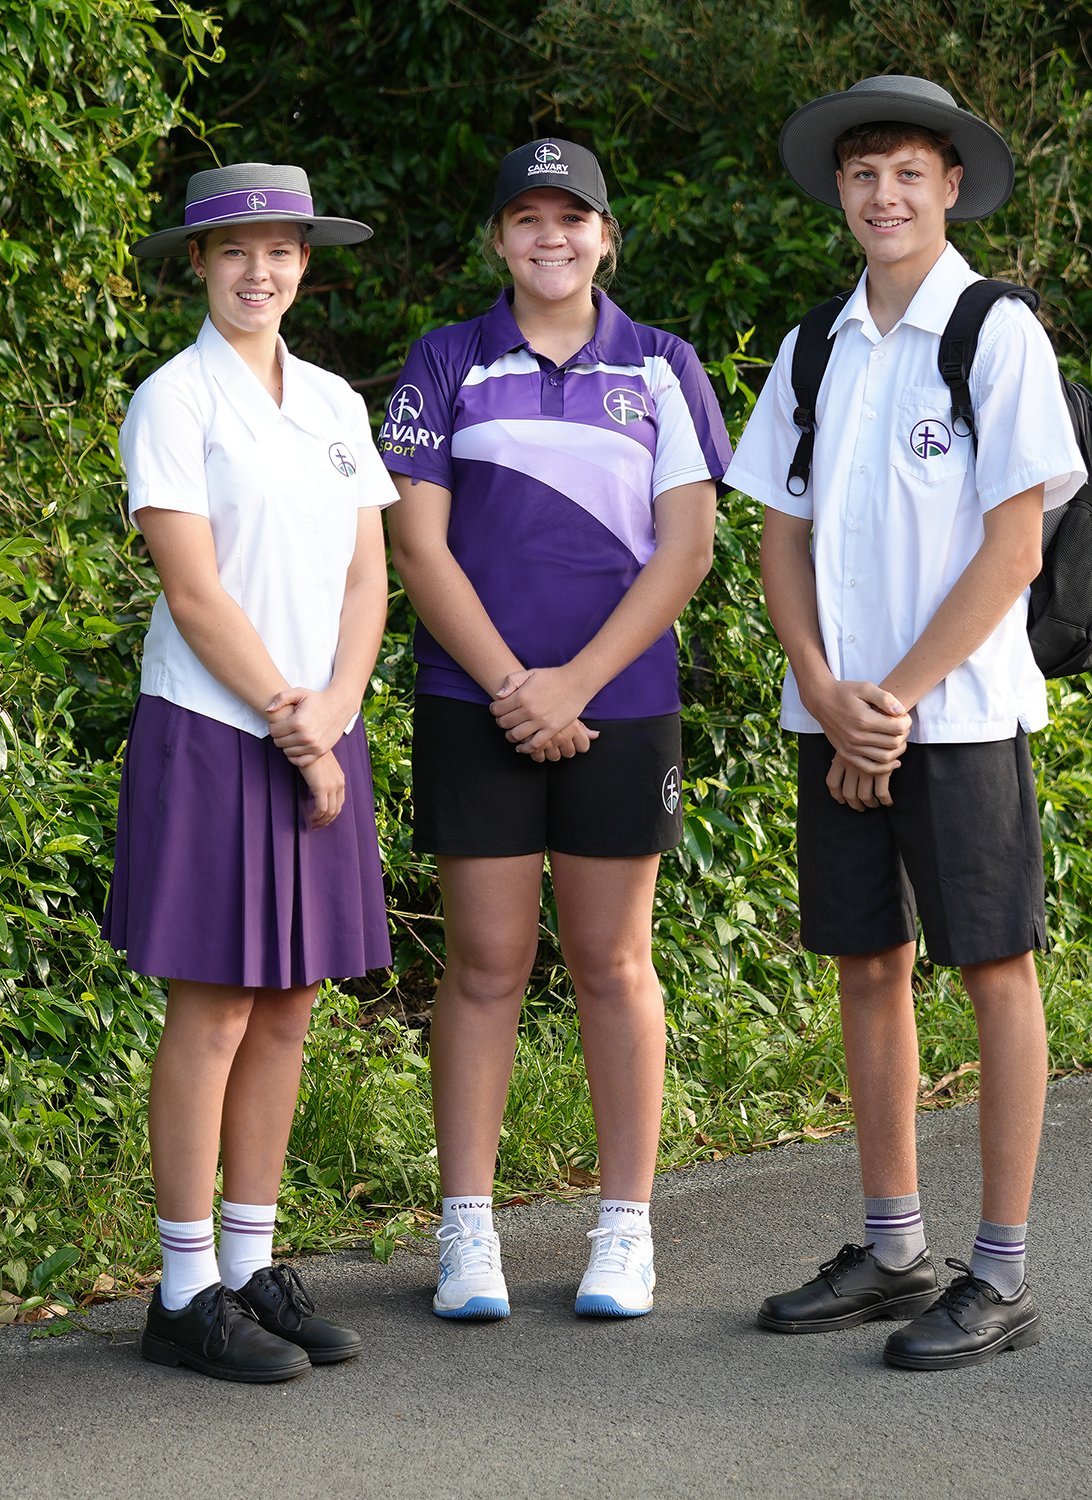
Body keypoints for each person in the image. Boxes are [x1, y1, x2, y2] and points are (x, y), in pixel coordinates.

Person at [724, 76, 1085, 1369]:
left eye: (908, 173)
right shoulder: (819, 345)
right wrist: (825, 688)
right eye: (863, 172)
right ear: (841, 192)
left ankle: (1001, 1273)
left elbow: (1014, 545)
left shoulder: (994, 333)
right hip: (835, 716)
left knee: (994, 971)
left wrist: (901, 697)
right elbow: (780, 526)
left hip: (965, 716)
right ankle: (892, 1248)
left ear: (950, 187)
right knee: (867, 965)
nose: (885, 193)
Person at [379, 139, 730, 1320]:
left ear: (605, 236)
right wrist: (515, 689)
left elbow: (687, 547)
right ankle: (467, 1229)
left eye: (571, 218)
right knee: (483, 966)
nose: (550, 238)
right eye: (526, 219)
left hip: (621, 706)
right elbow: (416, 546)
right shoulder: (445, 360)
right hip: (470, 703)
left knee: (611, 963)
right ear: (498, 241)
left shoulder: (667, 367)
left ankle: (624, 1227)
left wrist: (572, 683)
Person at [103, 163, 395, 1382]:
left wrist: (332, 715)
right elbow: (193, 589)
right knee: (216, 1005)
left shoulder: (332, 401)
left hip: (320, 726)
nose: (257, 269)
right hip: (215, 729)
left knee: (292, 1001)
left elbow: (366, 577)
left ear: (304, 263)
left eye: (278, 248)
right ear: (200, 266)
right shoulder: (173, 401)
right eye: (233, 251)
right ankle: (180, 1295)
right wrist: (293, 719)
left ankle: (249, 1262)